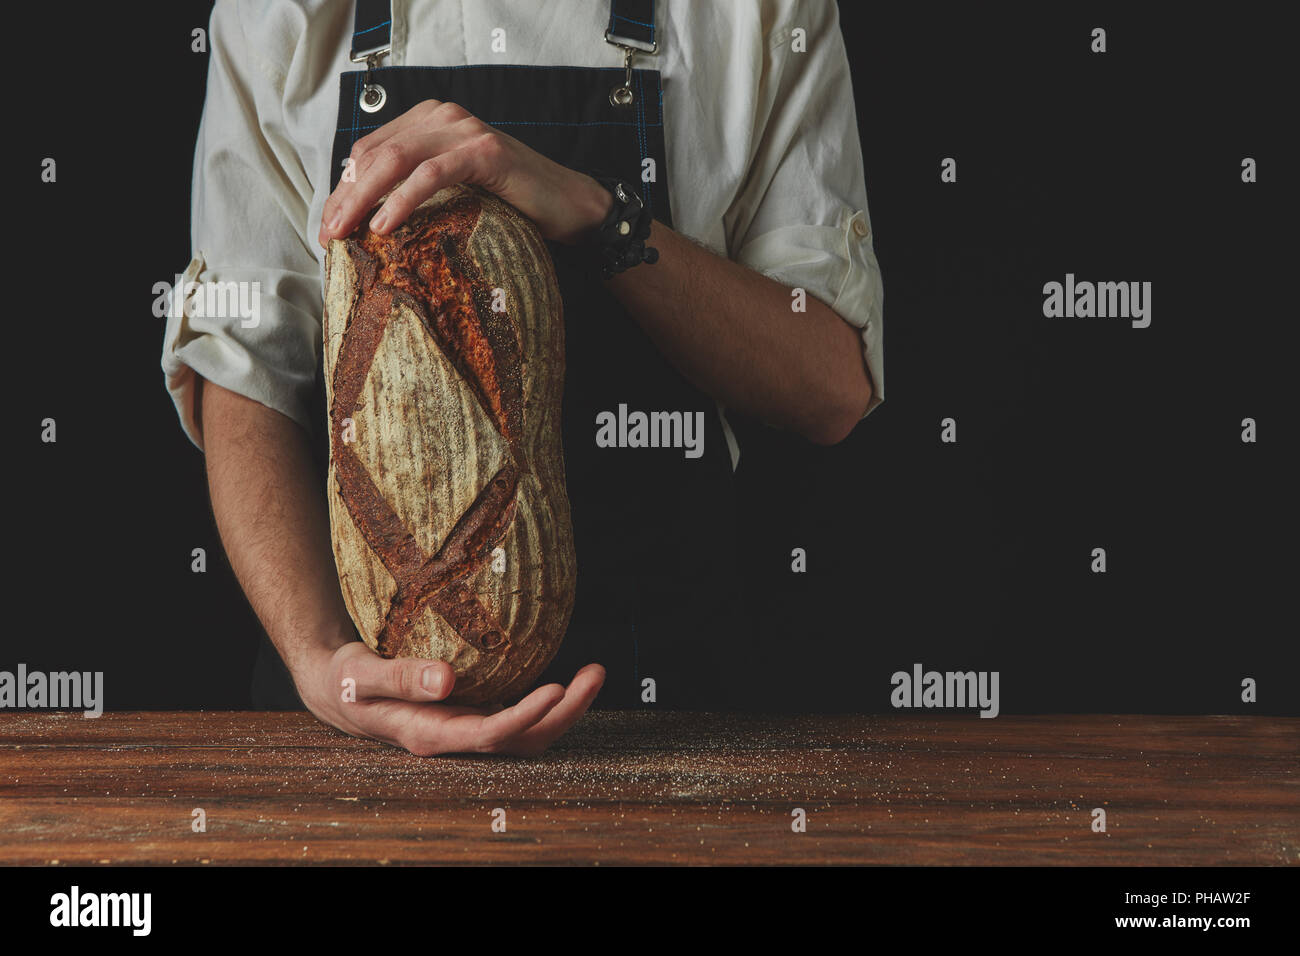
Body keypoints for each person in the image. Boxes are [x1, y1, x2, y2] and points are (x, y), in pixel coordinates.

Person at [161, 0, 885, 756]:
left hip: (671, 722)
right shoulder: (279, 14)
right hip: (362, 717)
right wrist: (317, 658)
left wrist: (600, 214)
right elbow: (242, 369)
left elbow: (829, 381)